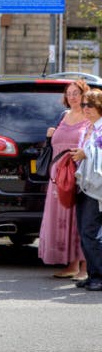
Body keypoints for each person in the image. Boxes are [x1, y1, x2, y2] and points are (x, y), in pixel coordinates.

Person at [38, 80, 89, 280]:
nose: (72, 97)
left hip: (77, 175)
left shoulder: (90, 117)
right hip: (58, 176)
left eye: (76, 93)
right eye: (69, 93)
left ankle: (85, 267)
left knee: (79, 219)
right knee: (62, 217)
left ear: (84, 95)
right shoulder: (63, 116)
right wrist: (50, 135)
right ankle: (71, 264)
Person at [70, 88, 102, 292]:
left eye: (89, 105)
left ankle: (98, 277)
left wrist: (86, 153)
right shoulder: (91, 127)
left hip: (96, 189)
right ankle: (93, 274)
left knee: (90, 232)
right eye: (84, 105)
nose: (85, 109)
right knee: (85, 232)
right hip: (86, 186)